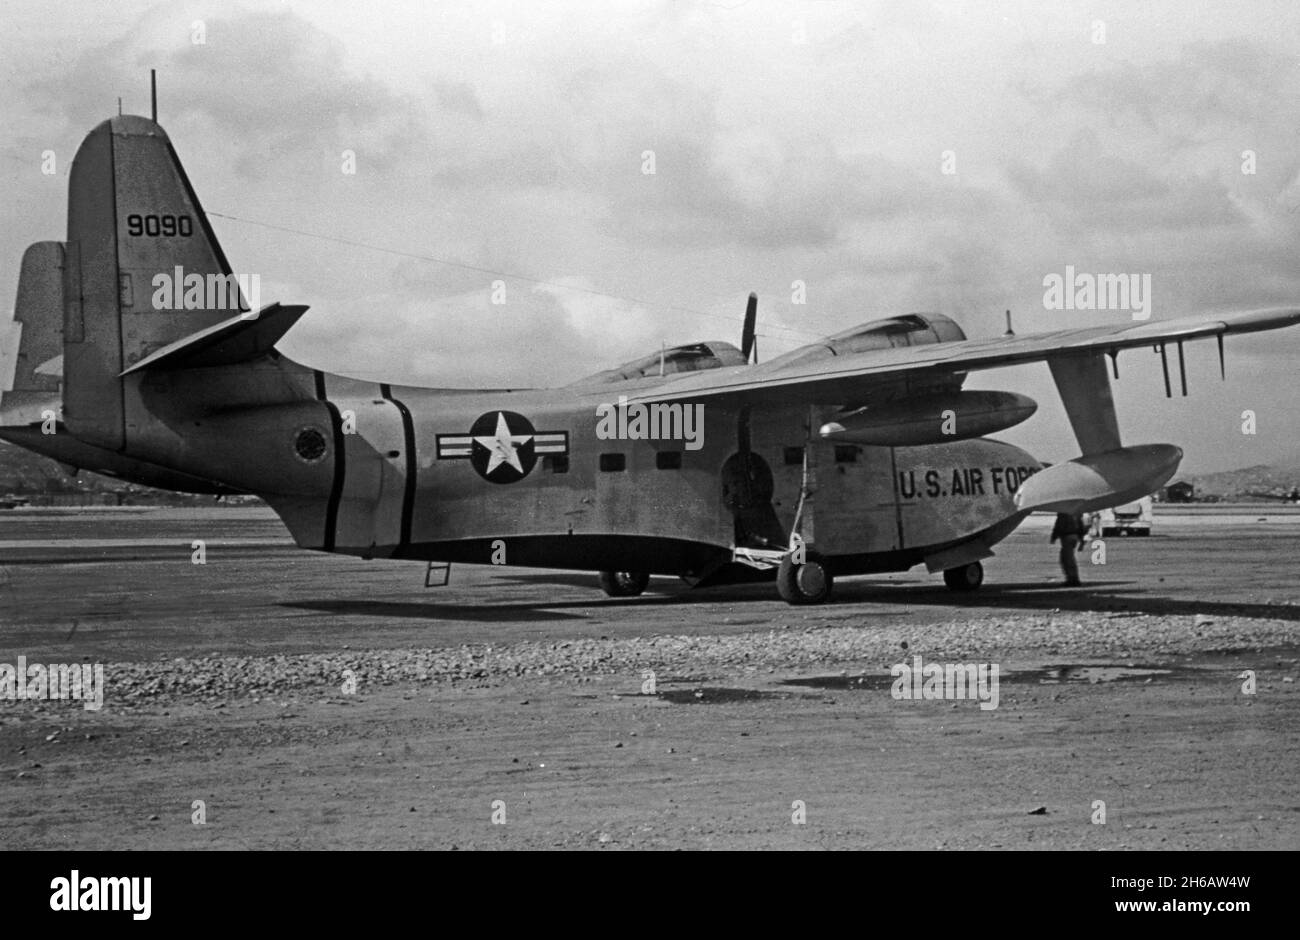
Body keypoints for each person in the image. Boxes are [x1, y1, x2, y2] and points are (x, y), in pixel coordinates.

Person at [1049, 511, 1088, 586]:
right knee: (1069, 557)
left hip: (1067, 536)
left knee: (1067, 558)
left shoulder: (1063, 513)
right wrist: (1082, 539)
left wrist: (1054, 536)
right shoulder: (1077, 513)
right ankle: (1072, 578)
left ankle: (1072, 579)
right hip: (1074, 536)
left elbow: (1059, 525)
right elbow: (1081, 527)